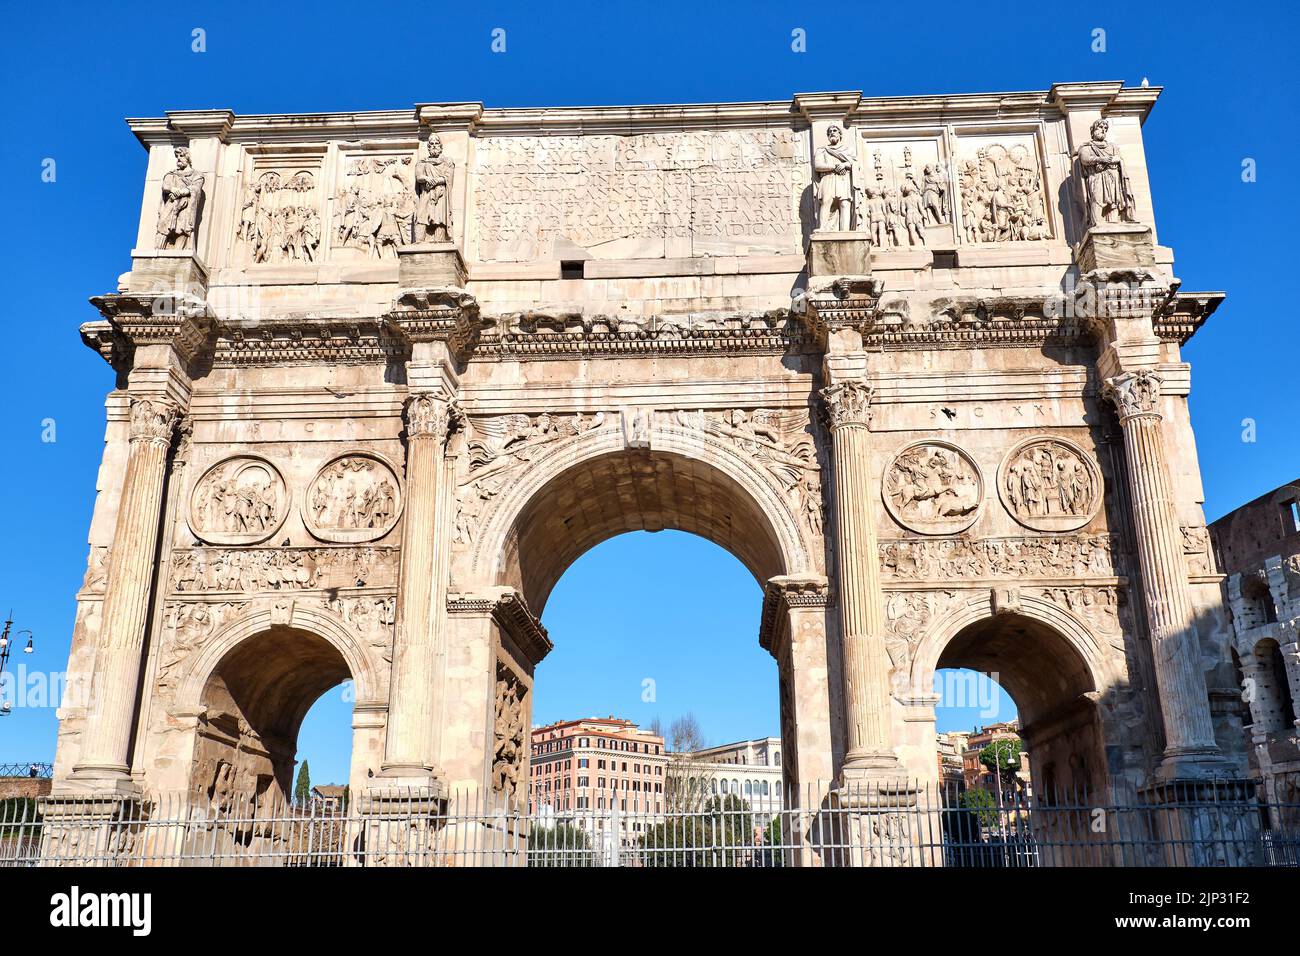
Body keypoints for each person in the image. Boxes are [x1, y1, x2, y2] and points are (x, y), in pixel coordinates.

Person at [813, 125, 854, 231]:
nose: (832, 133)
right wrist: (834, 167)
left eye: (835, 131)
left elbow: (854, 164)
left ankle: (845, 231)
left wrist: (845, 165)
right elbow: (818, 166)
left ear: (840, 134)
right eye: (830, 132)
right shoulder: (822, 150)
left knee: (844, 204)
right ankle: (822, 228)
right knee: (826, 202)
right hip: (828, 178)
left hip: (843, 179)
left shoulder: (847, 150)